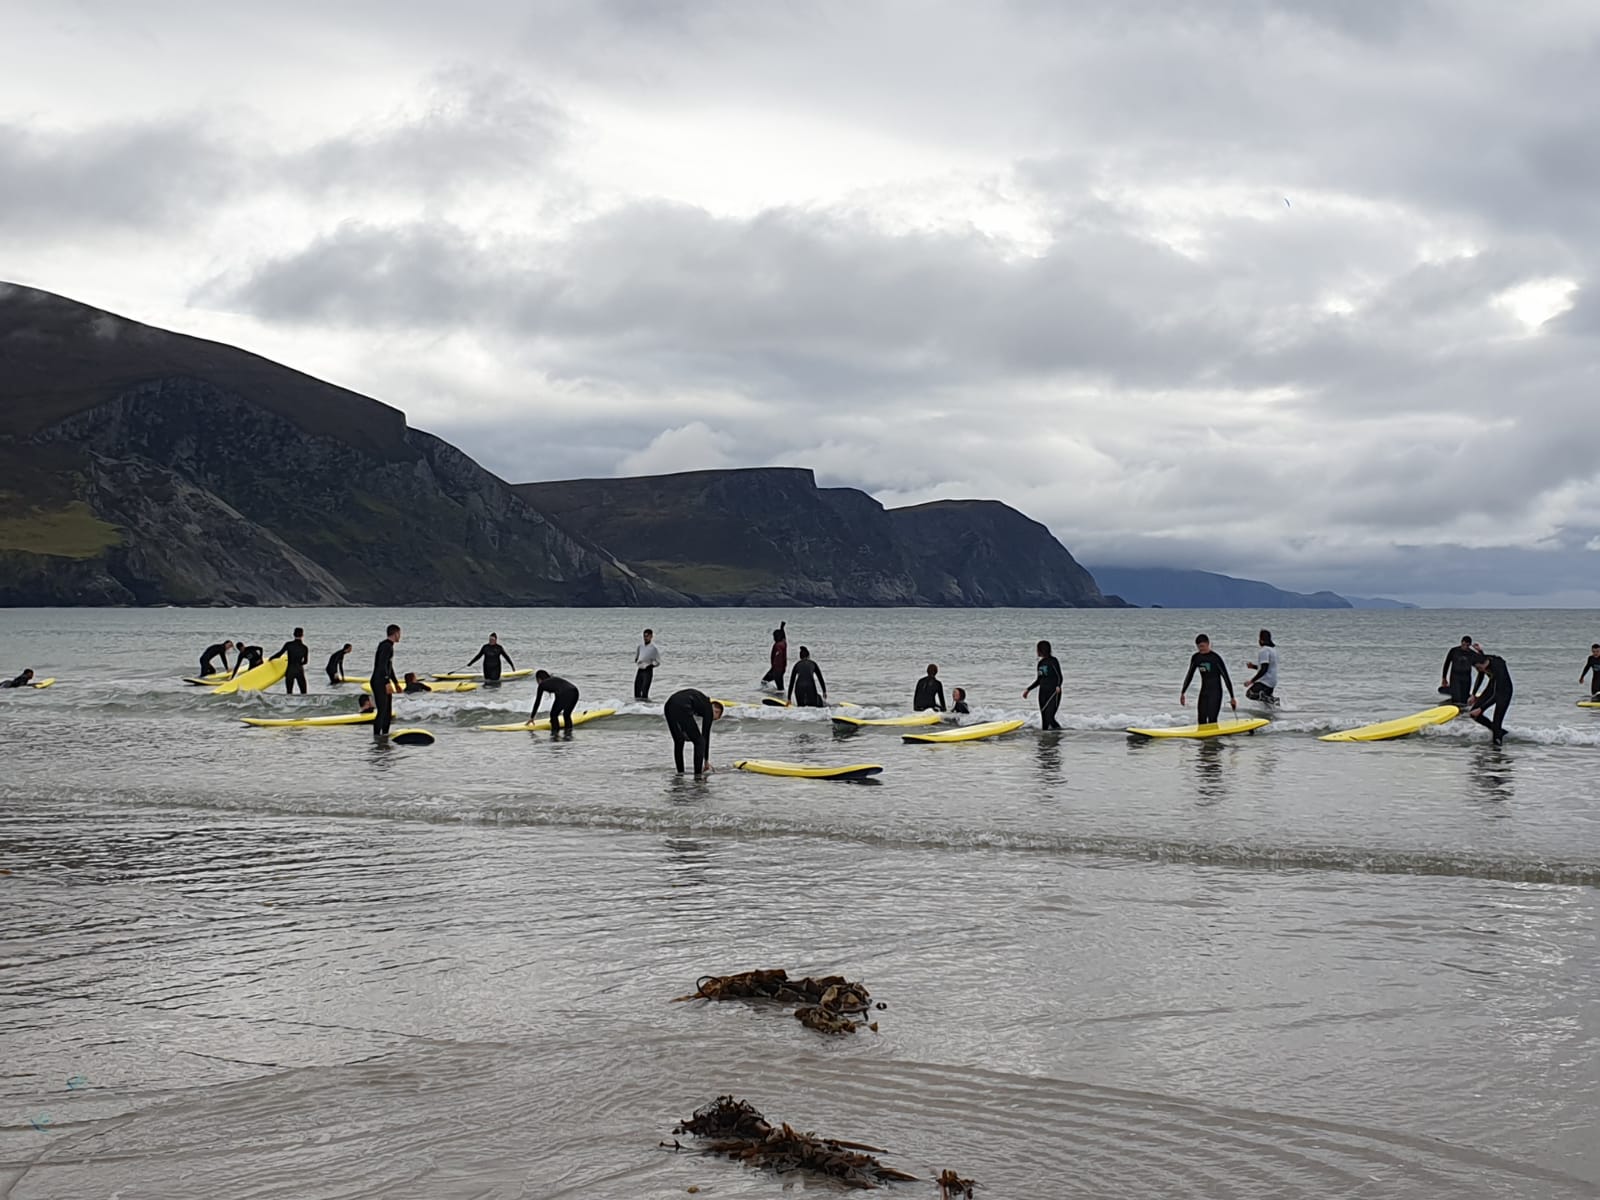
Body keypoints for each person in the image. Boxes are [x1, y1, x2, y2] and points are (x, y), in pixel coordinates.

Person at [664, 688, 723, 775]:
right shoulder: (708, 708)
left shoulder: (702, 701)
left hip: (669, 704)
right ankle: (698, 774)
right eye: (714, 719)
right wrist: (706, 760)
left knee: (679, 740)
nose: (710, 719)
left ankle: (680, 772)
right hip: (683, 705)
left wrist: (685, 732)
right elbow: (705, 735)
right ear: (717, 711)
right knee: (700, 742)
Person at [1181, 634, 1236, 723]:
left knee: (1212, 719)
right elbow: (1189, 674)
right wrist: (1183, 692)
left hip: (1216, 692)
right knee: (1201, 720)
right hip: (1204, 692)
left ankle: (1215, 737)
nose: (1201, 649)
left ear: (1208, 644)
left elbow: (1226, 677)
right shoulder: (1196, 658)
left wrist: (1232, 697)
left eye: (1202, 646)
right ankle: (1202, 737)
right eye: (1199, 647)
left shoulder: (1215, 658)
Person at [1469, 651, 1513, 745]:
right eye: (1476, 668)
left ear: (1485, 663)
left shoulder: (1498, 668)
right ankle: (1500, 732)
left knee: (1497, 722)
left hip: (1504, 691)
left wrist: (1481, 708)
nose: (1478, 670)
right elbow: (1480, 676)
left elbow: (1497, 694)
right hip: (1492, 688)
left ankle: (1497, 753)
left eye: (1479, 668)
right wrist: (1473, 694)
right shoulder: (1484, 660)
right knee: (1473, 713)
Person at [1022, 640, 1063, 730]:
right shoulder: (1040, 663)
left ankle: (1059, 734)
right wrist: (1028, 689)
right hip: (1042, 693)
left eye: (1037, 649)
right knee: (1044, 719)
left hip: (1053, 692)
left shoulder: (1053, 661)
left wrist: (1058, 686)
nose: (1036, 651)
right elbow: (1039, 680)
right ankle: (1045, 739)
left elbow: (1059, 676)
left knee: (1050, 717)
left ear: (1041, 650)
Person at [371, 625, 401, 737]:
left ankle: (384, 736)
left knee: (387, 712)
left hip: (382, 680)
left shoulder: (388, 646)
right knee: (382, 711)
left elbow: (389, 667)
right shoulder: (386, 646)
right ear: (395, 633)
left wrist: (396, 683)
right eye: (399, 634)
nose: (400, 636)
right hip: (379, 681)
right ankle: (377, 737)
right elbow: (382, 665)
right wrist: (386, 682)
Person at [269, 627, 310, 694]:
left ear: (293, 634)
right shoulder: (304, 647)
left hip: (290, 670)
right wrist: (299, 663)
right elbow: (305, 662)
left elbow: (279, 654)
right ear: (302, 635)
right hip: (299, 671)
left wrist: (270, 659)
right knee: (304, 693)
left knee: (289, 693)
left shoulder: (288, 644)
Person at [1244, 629, 1279, 704]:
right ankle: (1273, 704)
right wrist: (1253, 666)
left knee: (1250, 694)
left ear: (1261, 640)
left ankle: (1273, 700)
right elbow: (1267, 667)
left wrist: (1251, 681)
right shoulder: (1273, 650)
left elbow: (1264, 669)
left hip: (1265, 682)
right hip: (1272, 681)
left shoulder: (1264, 650)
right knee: (1267, 704)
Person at [1440, 636, 1477, 705]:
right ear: (1461, 643)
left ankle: (1463, 714)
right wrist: (1444, 678)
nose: (1465, 647)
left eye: (1467, 645)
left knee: (1464, 700)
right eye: (1464, 645)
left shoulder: (1472, 654)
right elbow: (1447, 663)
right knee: (1456, 699)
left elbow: (1481, 663)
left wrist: (1480, 651)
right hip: (1455, 677)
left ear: (1470, 645)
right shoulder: (1454, 651)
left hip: (1466, 677)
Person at [634, 629, 661, 701]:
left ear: (651, 636)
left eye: (647, 636)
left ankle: (645, 707)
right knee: (637, 690)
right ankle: (637, 707)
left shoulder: (653, 648)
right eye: (644, 636)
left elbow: (658, 661)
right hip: (640, 670)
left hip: (648, 670)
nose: (645, 638)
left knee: (644, 691)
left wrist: (651, 665)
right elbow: (637, 657)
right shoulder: (640, 646)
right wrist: (638, 661)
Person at [761, 621, 788, 689]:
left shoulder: (778, 645)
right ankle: (775, 693)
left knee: (765, 682)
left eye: (775, 636)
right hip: (781, 669)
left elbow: (778, 656)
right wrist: (782, 628)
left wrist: (774, 669)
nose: (774, 638)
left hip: (777, 670)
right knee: (764, 681)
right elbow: (784, 637)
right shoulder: (783, 643)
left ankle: (779, 696)